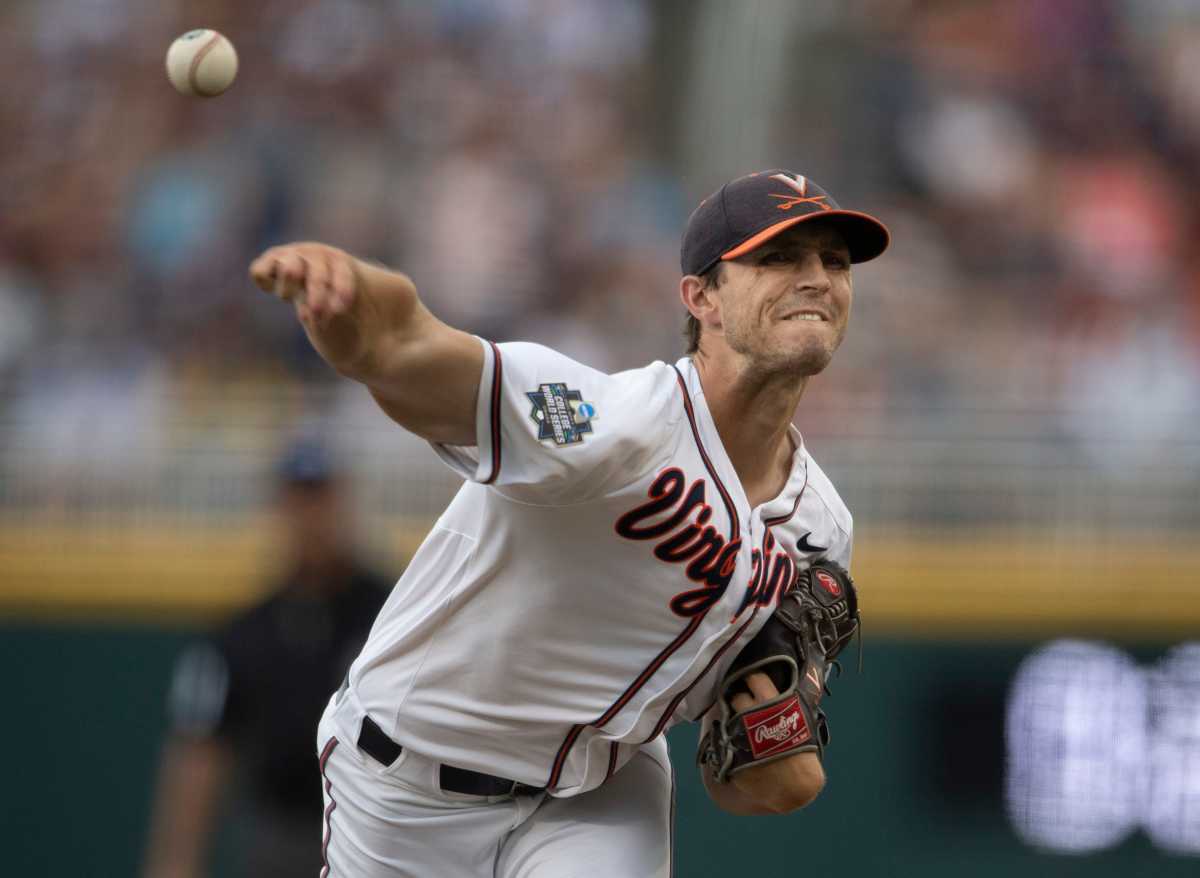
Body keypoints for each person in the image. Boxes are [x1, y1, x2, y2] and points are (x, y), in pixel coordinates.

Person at [248, 169, 889, 877]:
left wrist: (777, 747)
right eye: (779, 258)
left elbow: (745, 780)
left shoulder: (819, 530)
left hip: (596, 794)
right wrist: (355, 307)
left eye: (835, 262)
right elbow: (409, 352)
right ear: (700, 296)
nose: (816, 278)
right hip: (404, 783)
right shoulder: (612, 424)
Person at [142, 440, 391, 878]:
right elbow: (198, 755)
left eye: (320, 497)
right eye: (299, 499)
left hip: (377, 834)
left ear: (343, 502)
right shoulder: (242, 635)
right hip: (282, 838)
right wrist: (175, 863)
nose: (310, 516)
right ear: (279, 509)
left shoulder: (391, 616)